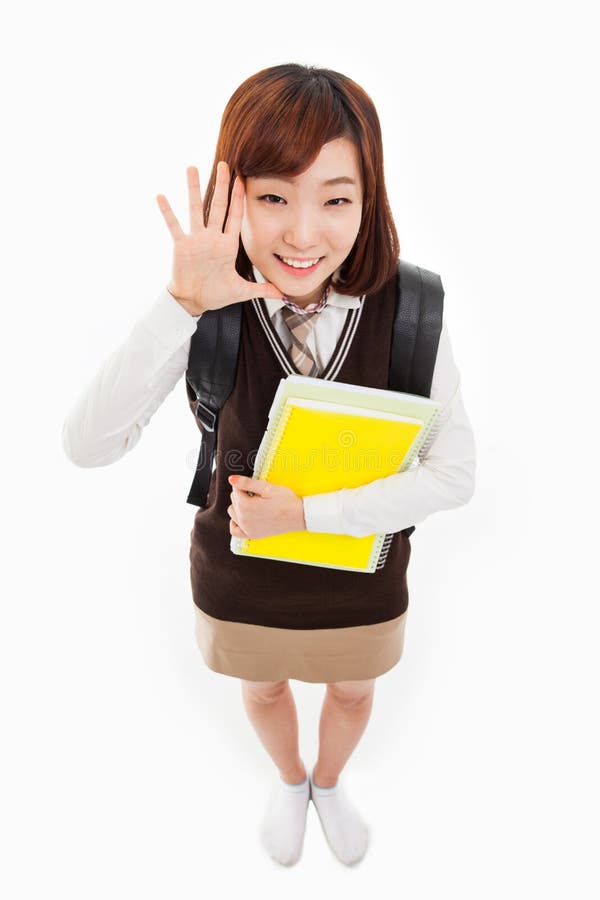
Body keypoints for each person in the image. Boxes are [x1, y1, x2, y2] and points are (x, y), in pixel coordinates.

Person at [62, 63, 476, 868]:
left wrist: (308, 516)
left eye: (335, 198)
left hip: (363, 577)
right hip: (240, 580)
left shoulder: (413, 309)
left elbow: (455, 476)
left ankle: (329, 779)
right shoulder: (206, 305)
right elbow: (87, 446)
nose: (301, 233)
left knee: (354, 691)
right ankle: (290, 781)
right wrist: (180, 305)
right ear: (233, 194)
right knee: (263, 688)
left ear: (370, 199)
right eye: (274, 196)